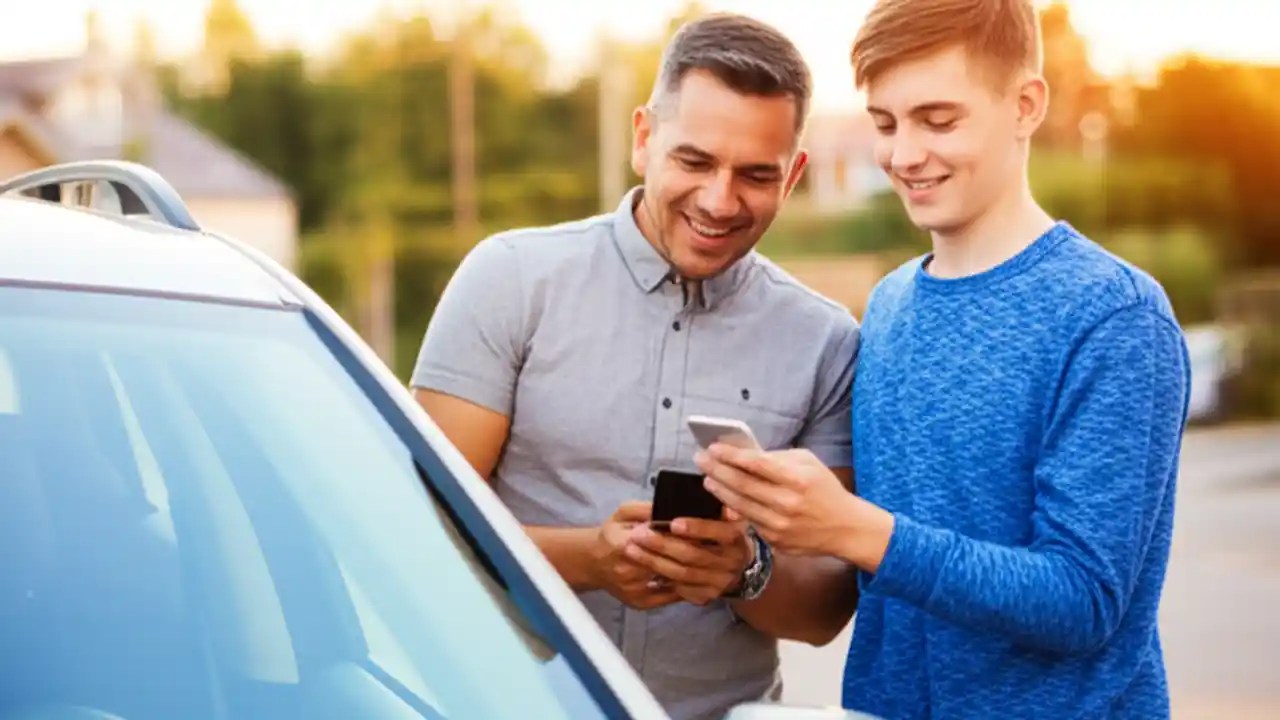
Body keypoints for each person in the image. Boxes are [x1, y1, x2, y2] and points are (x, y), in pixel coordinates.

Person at [698, 1, 1192, 718]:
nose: (902, 155)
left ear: (1025, 105)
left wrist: (853, 527)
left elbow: (1084, 600)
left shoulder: (1112, 316)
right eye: (885, 122)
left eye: (939, 120)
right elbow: (885, 574)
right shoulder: (891, 305)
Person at [409, 13, 861, 720]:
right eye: (695, 161)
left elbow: (825, 611)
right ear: (643, 138)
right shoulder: (512, 281)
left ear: (794, 174)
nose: (719, 200)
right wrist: (589, 559)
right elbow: (409, 531)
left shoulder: (827, 341)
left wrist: (746, 571)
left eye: (755, 175)